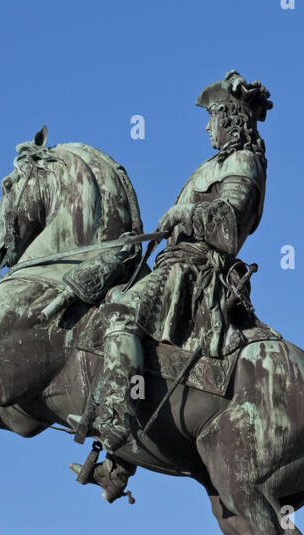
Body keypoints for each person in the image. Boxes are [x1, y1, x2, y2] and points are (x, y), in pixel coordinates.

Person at [73, 71, 272, 457]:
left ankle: (116, 420)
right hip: (174, 264)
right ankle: (123, 459)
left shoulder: (245, 162)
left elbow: (230, 225)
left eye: (211, 117)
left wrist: (183, 214)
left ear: (230, 118)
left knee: (124, 314)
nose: (206, 127)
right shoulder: (210, 165)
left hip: (195, 272)